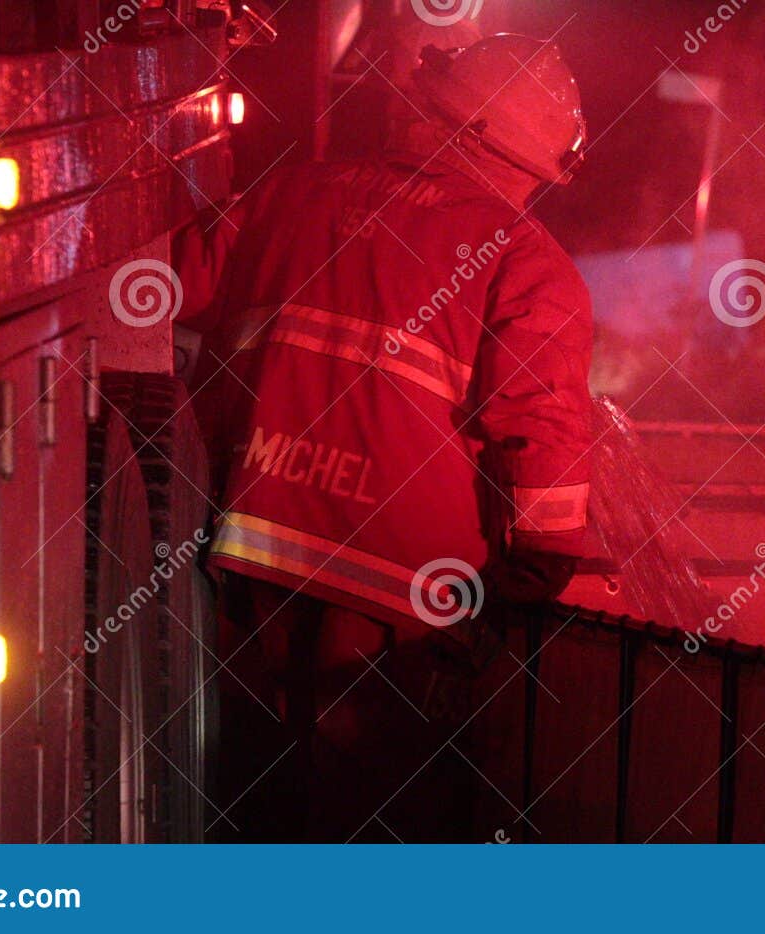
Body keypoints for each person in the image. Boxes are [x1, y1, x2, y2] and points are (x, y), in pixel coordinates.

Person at [194, 33, 593, 841]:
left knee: (243, 801)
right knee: (380, 820)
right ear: (521, 161)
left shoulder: (286, 193)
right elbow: (539, 423)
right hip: (402, 598)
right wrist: (540, 564)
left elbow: (175, 295)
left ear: (432, 110)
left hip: (248, 555)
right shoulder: (525, 260)